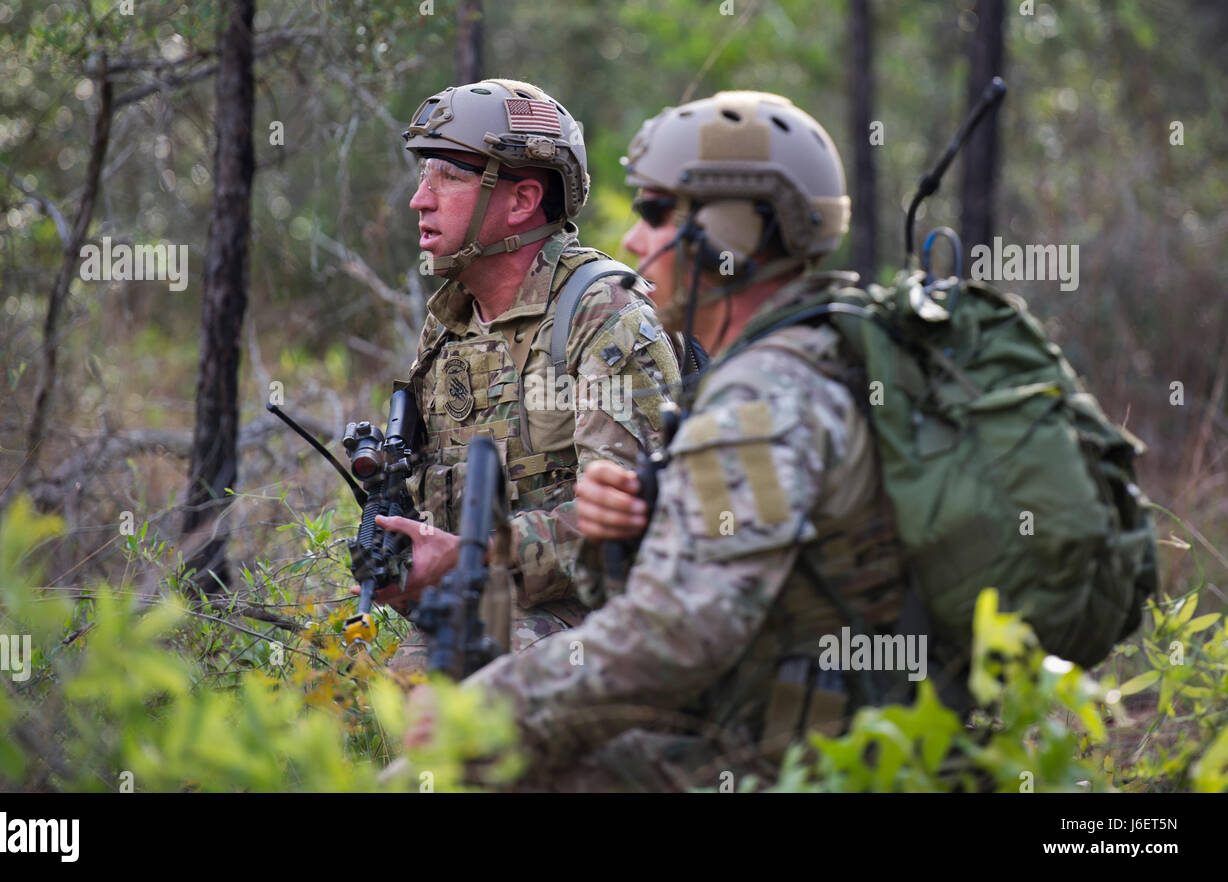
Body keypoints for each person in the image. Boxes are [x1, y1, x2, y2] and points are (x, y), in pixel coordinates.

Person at [426, 90, 914, 790]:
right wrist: (625, 527)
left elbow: (683, 631)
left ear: (733, 235)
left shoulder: (763, 400)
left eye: (657, 213)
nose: (632, 239)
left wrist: (489, 708)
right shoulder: (807, 356)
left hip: (821, 747)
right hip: (817, 712)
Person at [371, 78, 681, 671]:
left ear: (520, 201)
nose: (421, 199)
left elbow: (628, 526)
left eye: (450, 176)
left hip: (602, 612)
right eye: (423, 174)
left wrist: (467, 557)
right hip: (488, 599)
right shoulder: (450, 321)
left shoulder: (603, 313)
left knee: (437, 689)